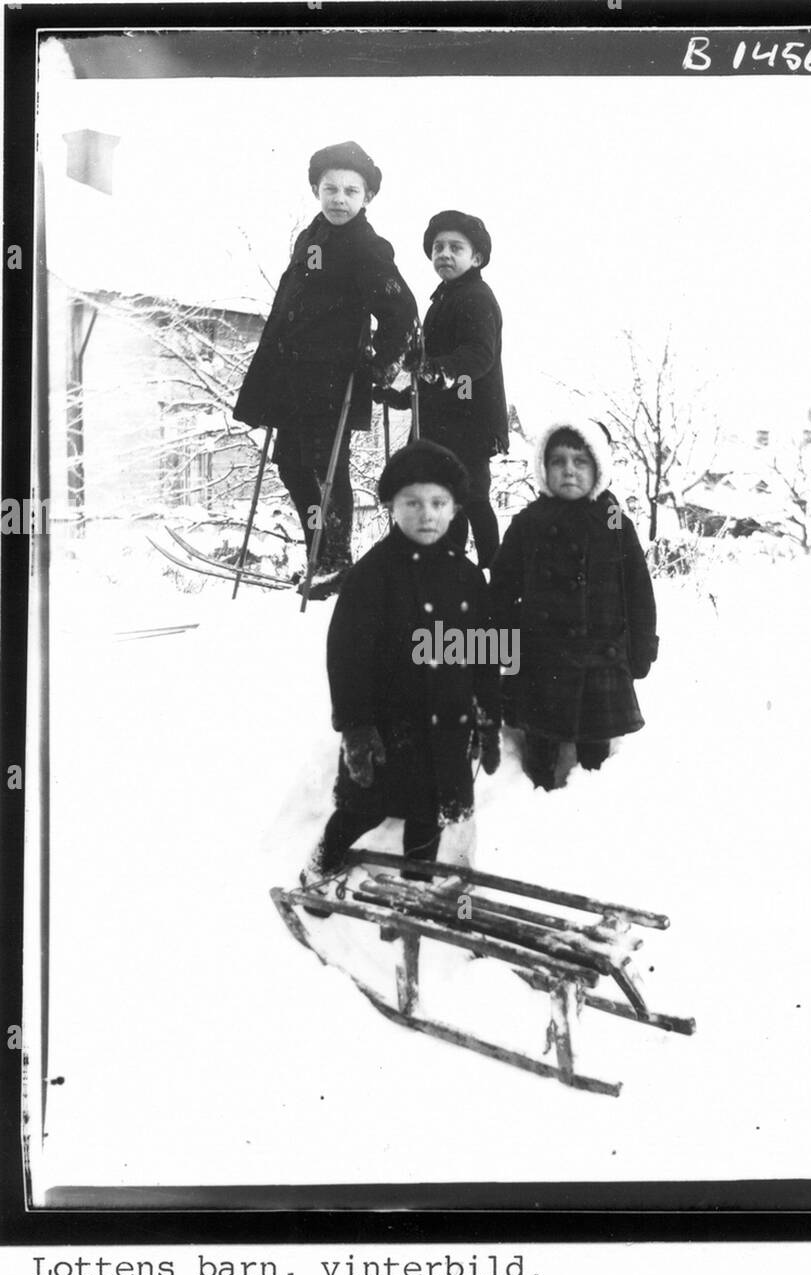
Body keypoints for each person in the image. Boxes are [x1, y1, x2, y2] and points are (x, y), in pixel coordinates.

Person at [305, 439, 501, 879]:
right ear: (392, 506)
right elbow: (346, 657)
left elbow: (487, 656)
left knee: (429, 815)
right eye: (412, 502)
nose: (426, 514)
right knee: (363, 807)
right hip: (387, 729)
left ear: (455, 509)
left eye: (438, 503)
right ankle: (321, 863)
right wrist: (356, 726)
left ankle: (416, 883)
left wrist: (489, 720)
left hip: (447, 728)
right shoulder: (371, 576)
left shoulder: (468, 578)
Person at [233, 140, 417, 583]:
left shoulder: (368, 247)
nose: (339, 199)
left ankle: (335, 562)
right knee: (292, 468)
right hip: (292, 379)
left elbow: (401, 312)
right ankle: (320, 552)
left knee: (326, 470)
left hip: (332, 382)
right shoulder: (310, 239)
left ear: (367, 197)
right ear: (316, 190)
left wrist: (378, 366)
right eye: (330, 188)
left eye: (351, 191)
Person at [489, 419, 658, 791]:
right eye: (558, 461)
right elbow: (501, 591)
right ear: (543, 468)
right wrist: (501, 647)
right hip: (539, 662)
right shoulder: (528, 523)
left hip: (600, 663)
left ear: (598, 469)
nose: (569, 470)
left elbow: (639, 594)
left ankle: (589, 802)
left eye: (580, 461)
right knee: (539, 748)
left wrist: (642, 649)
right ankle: (535, 793)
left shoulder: (615, 523)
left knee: (595, 760)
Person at [377, 210, 508, 570]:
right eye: (438, 247)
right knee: (448, 499)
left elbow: (478, 356)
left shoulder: (477, 297)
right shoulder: (442, 300)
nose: (445, 254)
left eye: (455, 247)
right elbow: (430, 372)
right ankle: (451, 570)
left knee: (473, 498)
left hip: (470, 422)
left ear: (476, 258)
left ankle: (495, 572)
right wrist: (401, 398)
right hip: (443, 423)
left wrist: (434, 368)